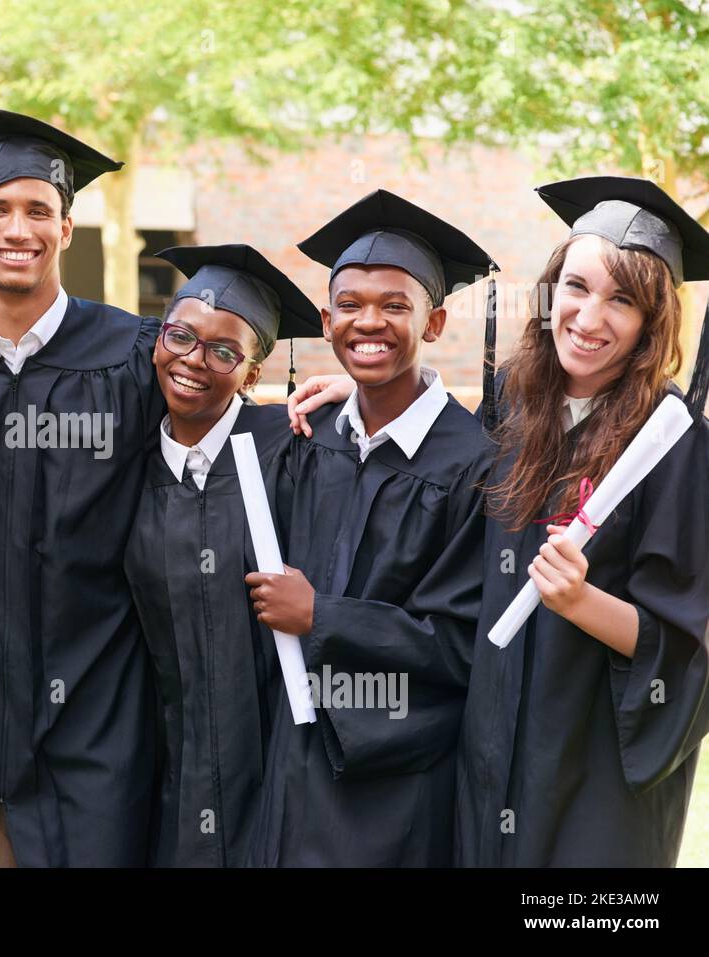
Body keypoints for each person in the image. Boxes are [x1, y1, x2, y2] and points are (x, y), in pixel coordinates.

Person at [0, 110, 163, 866]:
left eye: (38, 210)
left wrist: (333, 393)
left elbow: (218, 434)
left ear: (67, 229)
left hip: (99, 713)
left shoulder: (133, 357)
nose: (19, 228)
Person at [456, 177, 709, 866]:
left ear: (651, 324)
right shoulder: (511, 404)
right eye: (576, 286)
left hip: (595, 769)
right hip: (491, 747)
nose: (590, 316)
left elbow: (687, 647)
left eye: (622, 299)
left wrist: (581, 600)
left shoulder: (676, 443)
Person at [244, 190, 496, 866]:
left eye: (395, 306)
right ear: (326, 321)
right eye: (350, 305)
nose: (369, 323)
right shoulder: (309, 437)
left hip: (393, 782)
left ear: (435, 322)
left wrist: (321, 615)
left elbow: (464, 646)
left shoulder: (473, 464)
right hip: (289, 770)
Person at [122, 244, 321, 867]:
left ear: (251, 372)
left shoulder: (296, 452)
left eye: (224, 351)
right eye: (179, 336)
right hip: (167, 769)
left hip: (278, 763)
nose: (192, 361)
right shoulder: (124, 465)